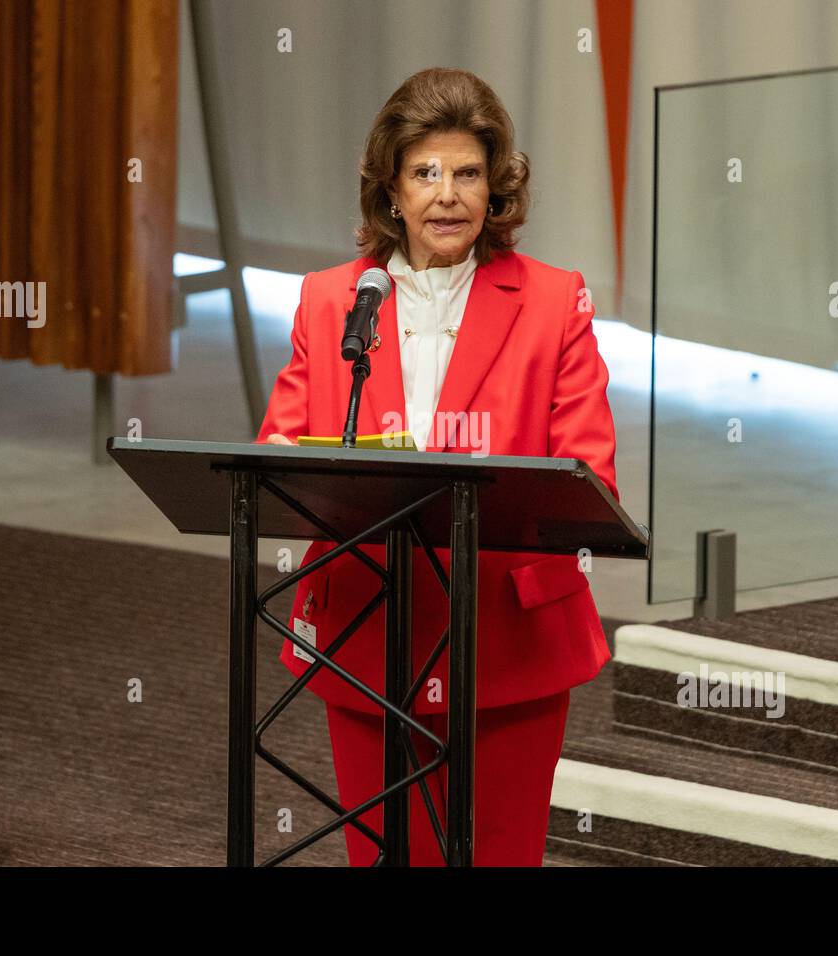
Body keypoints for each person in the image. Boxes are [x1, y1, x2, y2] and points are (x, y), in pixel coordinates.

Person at [256, 66, 618, 866]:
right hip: (365, 617)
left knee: (496, 853)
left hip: (504, 633)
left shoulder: (556, 302)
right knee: (385, 855)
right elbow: (278, 453)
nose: (446, 194)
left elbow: (588, 477)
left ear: (496, 190)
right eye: (424, 173)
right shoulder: (330, 300)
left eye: (467, 173)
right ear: (391, 191)